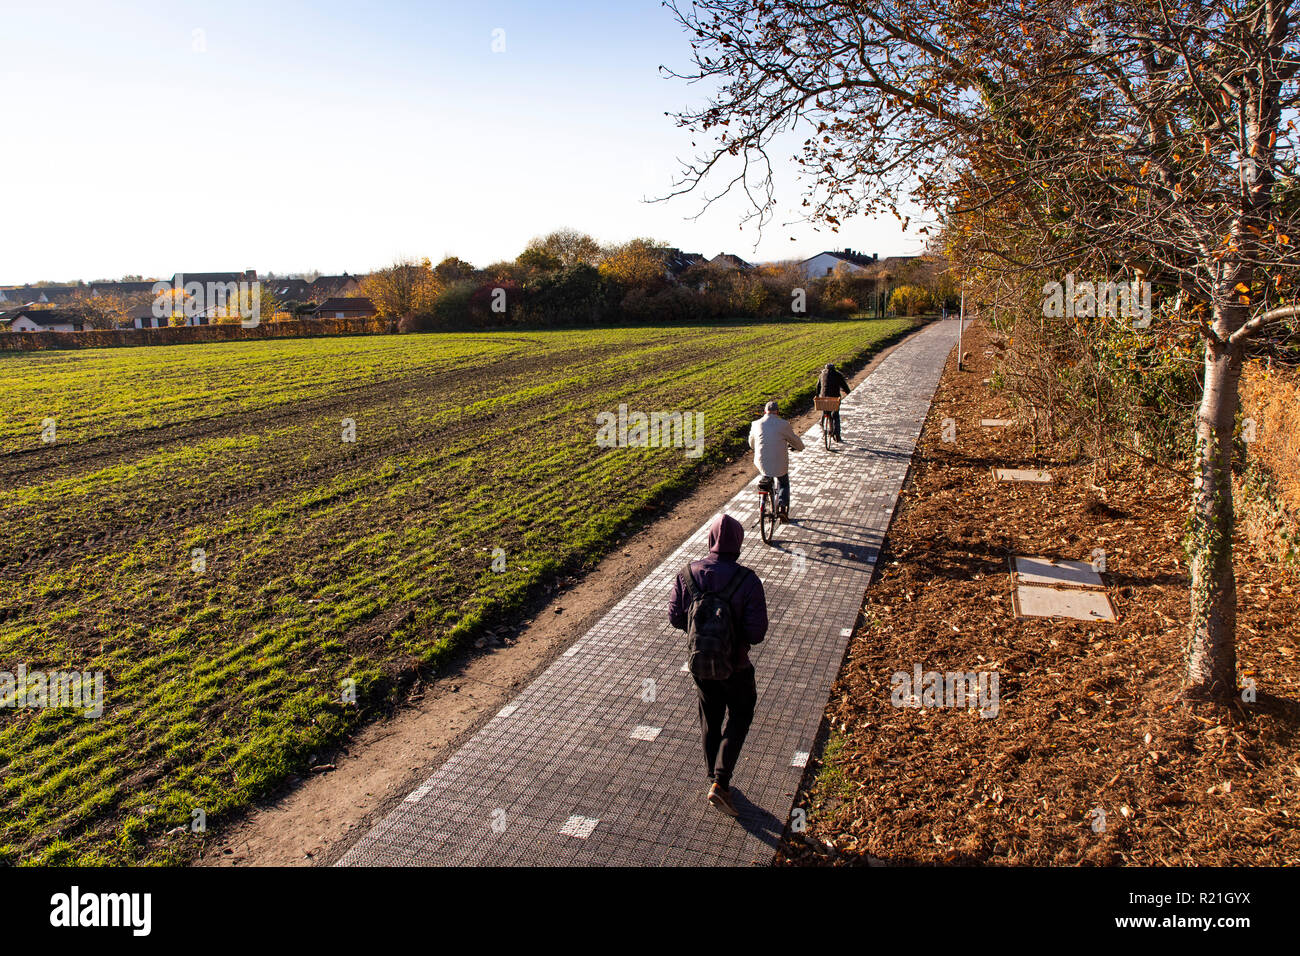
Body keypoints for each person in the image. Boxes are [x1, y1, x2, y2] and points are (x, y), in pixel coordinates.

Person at [668, 513, 768, 816]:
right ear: (738, 543)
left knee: (710, 719)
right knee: (741, 713)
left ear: (710, 540)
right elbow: (757, 632)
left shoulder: (687, 573)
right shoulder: (747, 580)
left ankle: (714, 778)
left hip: (700, 664)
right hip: (735, 666)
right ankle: (721, 783)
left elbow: (674, 617)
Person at [747, 399, 804, 522]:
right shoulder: (783, 424)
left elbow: (751, 444)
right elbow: (794, 440)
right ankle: (782, 508)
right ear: (777, 412)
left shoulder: (756, 424)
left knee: (766, 475)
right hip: (780, 462)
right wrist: (800, 447)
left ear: (764, 412)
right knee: (783, 482)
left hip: (762, 462)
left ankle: (765, 497)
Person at [817, 362, 852, 442]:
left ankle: (823, 430)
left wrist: (818, 395)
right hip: (834, 399)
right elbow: (844, 386)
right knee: (835, 415)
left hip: (824, 398)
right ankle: (837, 435)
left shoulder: (821, 375)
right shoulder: (838, 375)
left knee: (825, 412)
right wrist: (848, 392)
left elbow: (818, 387)